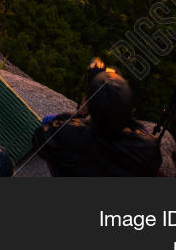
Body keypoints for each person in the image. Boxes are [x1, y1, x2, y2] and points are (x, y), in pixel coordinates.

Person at [31, 60, 162, 176]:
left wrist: (81, 114)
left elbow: (40, 136)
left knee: (48, 120)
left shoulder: (73, 136)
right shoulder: (148, 147)